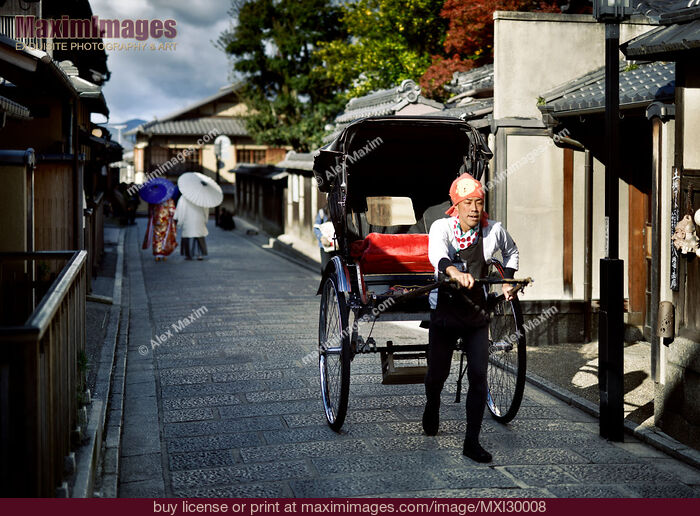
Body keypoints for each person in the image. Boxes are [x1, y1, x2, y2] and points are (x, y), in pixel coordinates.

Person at [423, 172, 519, 463]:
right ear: (456, 206)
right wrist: (454, 272)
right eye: (468, 203)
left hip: (478, 312)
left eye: (479, 202)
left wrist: (508, 279)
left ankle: (471, 442)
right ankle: (432, 403)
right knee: (437, 373)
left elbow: (511, 252)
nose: (475, 209)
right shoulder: (443, 227)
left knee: (479, 375)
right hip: (445, 310)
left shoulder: (494, 231)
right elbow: (437, 255)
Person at [174, 196, 209, 260]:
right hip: (199, 220)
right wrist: (205, 220)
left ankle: (189, 254)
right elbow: (206, 210)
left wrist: (180, 222)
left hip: (188, 220)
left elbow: (181, 211)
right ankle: (200, 254)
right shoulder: (202, 196)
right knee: (199, 237)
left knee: (188, 237)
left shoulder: (184, 198)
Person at [313, 206, 336, 272]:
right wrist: (321, 237)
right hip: (325, 245)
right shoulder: (322, 212)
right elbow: (316, 227)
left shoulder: (340, 210)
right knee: (325, 268)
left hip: (337, 245)